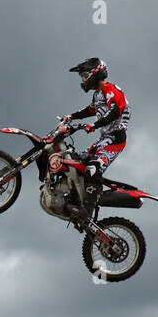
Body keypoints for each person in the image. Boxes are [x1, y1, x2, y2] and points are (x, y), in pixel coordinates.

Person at [61, 57, 130, 217]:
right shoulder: (98, 94)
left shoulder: (110, 89)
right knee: (77, 161)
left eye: (85, 76)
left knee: (93, 168)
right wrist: (71, 116)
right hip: (105, 138)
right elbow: (90, 110)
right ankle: (74, 199)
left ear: (95, 73)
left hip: (116, 140)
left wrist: (95, 125)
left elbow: (115, 112)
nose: (84, 80)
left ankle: (87, 210)